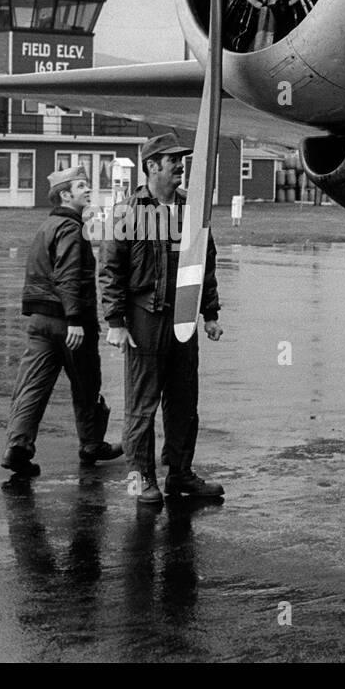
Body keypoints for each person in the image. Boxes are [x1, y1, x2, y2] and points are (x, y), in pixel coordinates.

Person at [100, 133, 224, 507]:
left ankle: (180, 474)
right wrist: (115, 321)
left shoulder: (191, 209)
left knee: (184, 402)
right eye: (173, 160)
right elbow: (110, 270)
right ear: (152, 165)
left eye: (182, 160)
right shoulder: (128, 212)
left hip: (183, 319)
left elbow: (206, 261)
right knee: (142, 405)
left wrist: (211, 313)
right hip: (144, 319)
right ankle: (141, 480)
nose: (180, 166)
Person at [1, 165, 123, 478]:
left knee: (32, 386)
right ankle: (92, 444)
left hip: (40, 322)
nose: (88, 190)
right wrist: (74, 320)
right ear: (65, 195)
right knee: (87, 384)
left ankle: (18, 447)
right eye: (81, 186)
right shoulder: (70, 229)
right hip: (70, 323)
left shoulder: (47, 226)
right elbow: (68, 275)